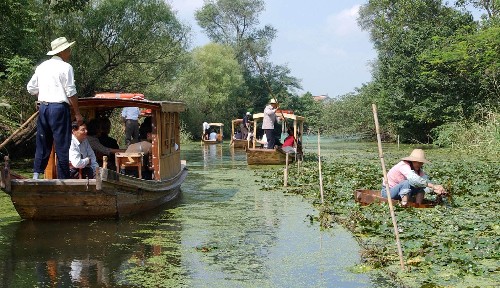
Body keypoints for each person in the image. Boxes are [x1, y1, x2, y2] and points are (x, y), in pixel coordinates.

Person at [27, 37, 83, 179]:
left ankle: (35, 176)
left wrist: (44, 94)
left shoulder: (42, 67)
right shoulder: (66, 67)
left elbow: (31, 88)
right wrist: (77, 113)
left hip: (44, 108)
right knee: (62, 144)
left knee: (43, 143)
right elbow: (71, 92)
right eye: (68, 50)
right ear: (62, 51)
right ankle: (64, 179)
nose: (70, 52)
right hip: (59, 108)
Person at [382, 149, 447, 205]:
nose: (420, 164)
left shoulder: (419, 171)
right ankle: (404, 204)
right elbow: (414, 179)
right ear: (412, 161)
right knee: (407, 183)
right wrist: (433, 186)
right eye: (417, 162)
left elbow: (425, 183)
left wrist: (436, 189)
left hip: (401, 193)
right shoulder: (403, 165)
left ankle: (418, 205)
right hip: (388, 192)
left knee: (421, 186)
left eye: (421, 163)